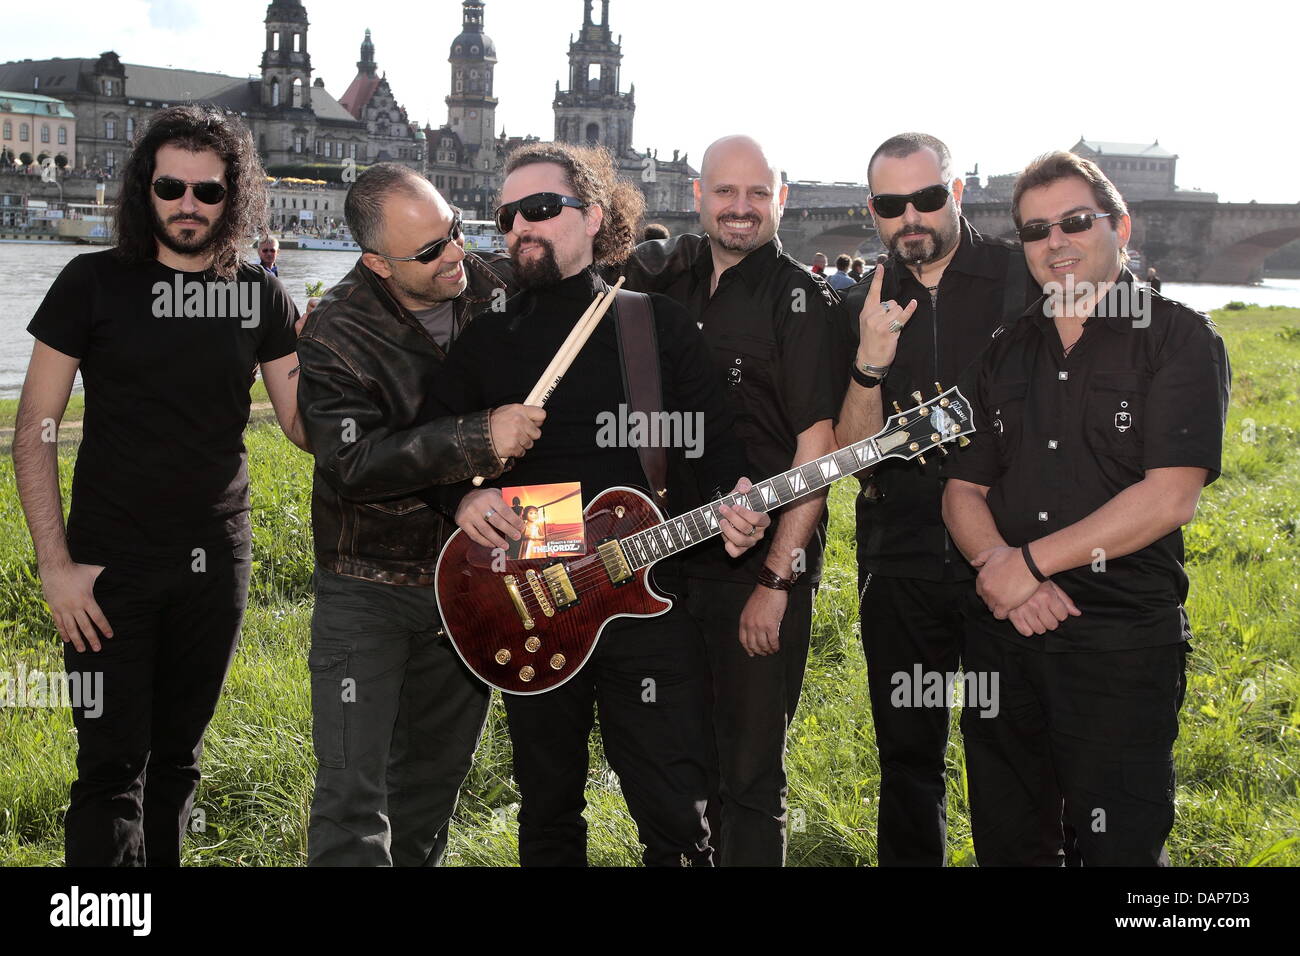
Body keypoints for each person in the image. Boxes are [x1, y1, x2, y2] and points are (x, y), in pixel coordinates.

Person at [434, 141, 771, 867]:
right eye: (509, 214)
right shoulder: (487, 338)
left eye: (542, 208)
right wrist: (464, 498)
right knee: (548, 807)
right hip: (530, 582)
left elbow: (717, 457)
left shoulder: (655, 325)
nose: (521, 224)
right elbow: (434, 449)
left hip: (646, 587)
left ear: (593, 217)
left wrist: (737, 506)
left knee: (677, 816)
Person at [12, 105, 307, 867]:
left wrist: (341, 341)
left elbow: (305, 427)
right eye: (170, 187)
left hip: (218, 563)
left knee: (177, 764)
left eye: (207, 192)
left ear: (232, 199)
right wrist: (55, 565)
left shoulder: (261, 296)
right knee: (110, 770)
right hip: (108, 567)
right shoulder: (92, 282)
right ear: (146, 188)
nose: (187, 205)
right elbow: (35, 428)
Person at [941, 150, 1230, 866]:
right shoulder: (1004, 351)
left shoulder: (1181, 339)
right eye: (1036, 231)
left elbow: (1170, 496)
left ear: (1120, 226)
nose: (1055, 242)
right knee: (1009, 845)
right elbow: (961, 489)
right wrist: (997, 568)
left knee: (1119, 852)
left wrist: (1029, 564)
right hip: (1003, 642)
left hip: (1119, 646)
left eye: (1075, 222)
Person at [294, 162, 543, 866]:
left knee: (432, 789)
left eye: (456, 232)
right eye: (429, 252)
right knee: (351, 796)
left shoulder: (496, 285)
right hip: (367, 585)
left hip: (474, 578)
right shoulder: (335, 333)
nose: (455, 256)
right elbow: (352, 463)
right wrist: (474, 441)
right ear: (375, 262)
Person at [618, 134, 844, 866]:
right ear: (698, 198)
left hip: (758, 572)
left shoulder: (801, 301)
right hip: (665, 568)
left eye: (757, 194)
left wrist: (777, 581)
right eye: (725, 192)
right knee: (678, 769)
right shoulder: (668, 282)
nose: (741, 208)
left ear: (780, 199)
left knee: (749, 778)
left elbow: (820, 451)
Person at [834, 132, 1036, 866]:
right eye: (893, 205)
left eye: (927, 197)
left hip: (1010, 555)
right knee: (908, 756)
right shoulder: (861, 299)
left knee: (1010, 749)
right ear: (874, 212)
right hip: (902, 558)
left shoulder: (1024, 278)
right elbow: (848, 455)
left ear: (956, 192)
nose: (911, 217)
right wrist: (868, 366)